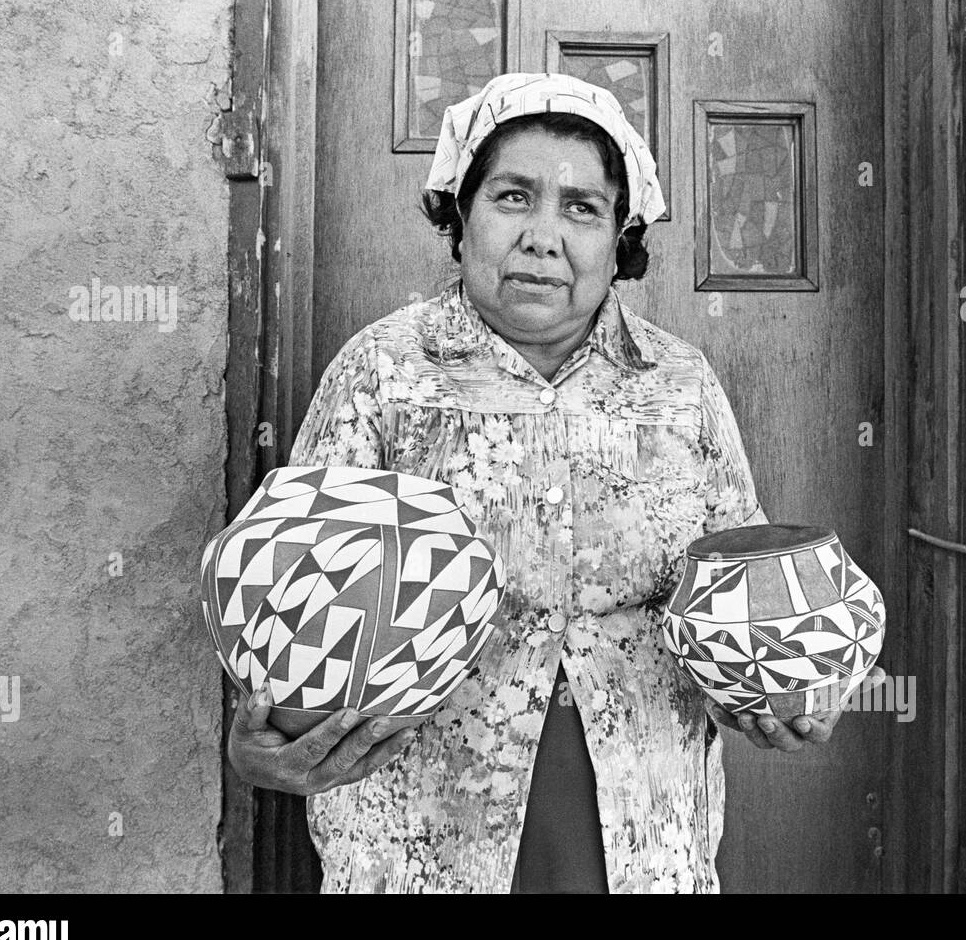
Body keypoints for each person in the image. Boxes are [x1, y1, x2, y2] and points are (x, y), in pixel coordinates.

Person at [227, 72, 880, 893]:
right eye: (512, 197)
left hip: (644, 840)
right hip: (421, 846)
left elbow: (736, 591)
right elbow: (287, 593)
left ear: (619, 240)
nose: (543, 235)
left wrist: (778, 693)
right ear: (461, 219)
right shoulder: (383, 372)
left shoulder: (679, 386)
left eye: (582, 207)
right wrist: (264, 738)